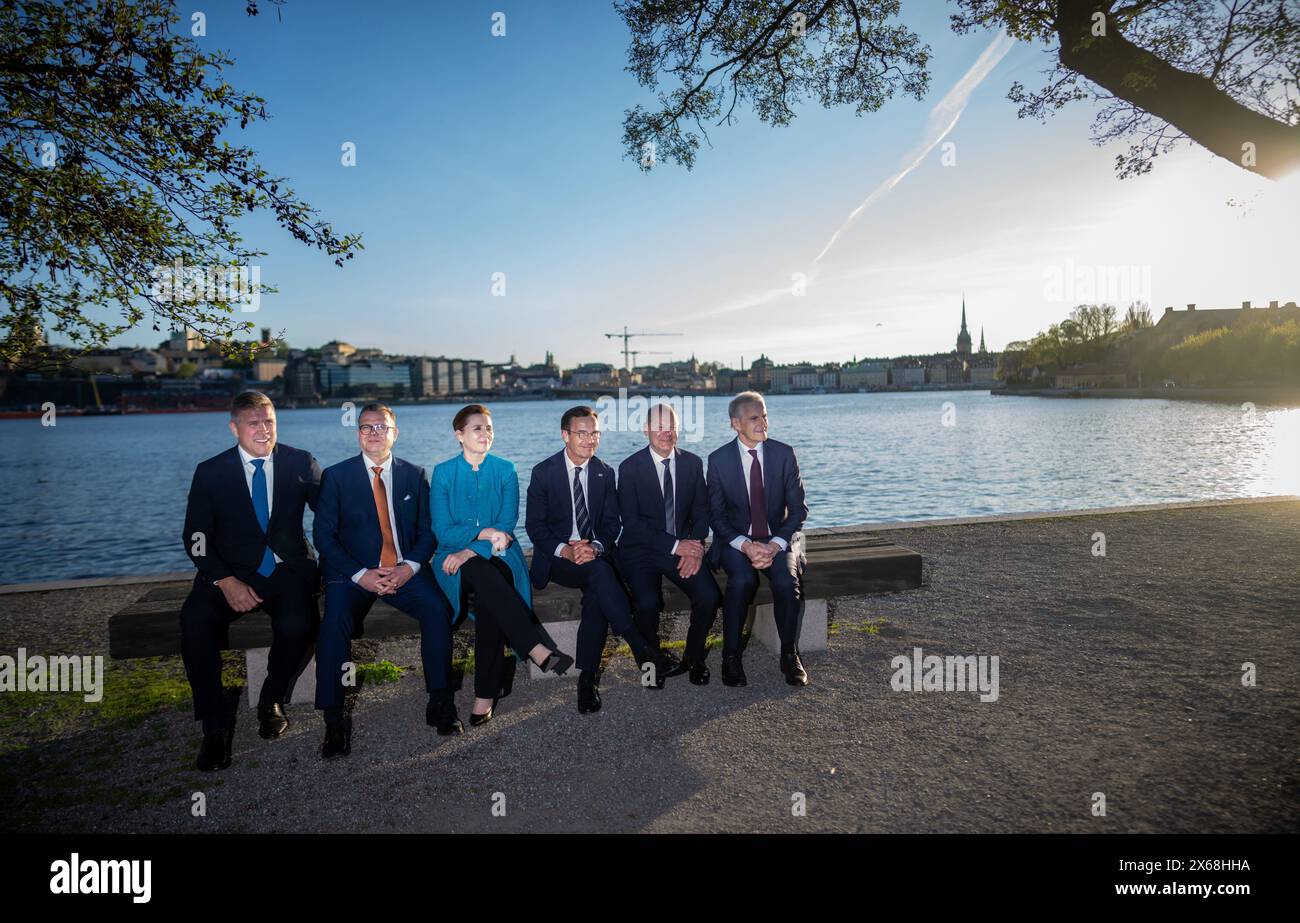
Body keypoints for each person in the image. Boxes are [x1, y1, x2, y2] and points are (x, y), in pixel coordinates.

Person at [180, 390, 322, 771]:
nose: (263, 430)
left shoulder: (300, 462)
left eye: (269, 422)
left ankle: (270, 699)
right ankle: (213, 727)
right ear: (234, 427)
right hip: (229, 570)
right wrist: (225, 581)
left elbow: (332, 511)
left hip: (286, 567)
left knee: (298, 624)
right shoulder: (211, 471)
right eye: (253, 423)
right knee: (194, 623)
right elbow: (195, 537)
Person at [312, 403, 460, 758]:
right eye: (366, 427)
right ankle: (334, 720)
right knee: (334, 625)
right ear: (357, 433)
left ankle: (439, 701)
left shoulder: (414, 474)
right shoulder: (336, 476)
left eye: (382, 427)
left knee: (438, 611)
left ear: (396, 432)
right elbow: (323, 537)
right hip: (352, 574)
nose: (374, 432)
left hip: (401, 571)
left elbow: (428, 532)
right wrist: (360, 575)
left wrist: (408, 567)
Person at [525, 405, 676, 713]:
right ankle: (643, 651)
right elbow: (535, 527)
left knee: (598, 589)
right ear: (565, 435)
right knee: (602, 577)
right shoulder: (544, 472)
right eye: (582, 433)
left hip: (594, 556)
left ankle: (587, 681)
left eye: (595, 433)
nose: (590, 440)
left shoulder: (604, 472)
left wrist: (594, 546)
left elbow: (611, 525)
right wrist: (566, 549)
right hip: (557, 558)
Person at [431, 404, 574, 726]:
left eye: (489, 428)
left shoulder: (506, 469)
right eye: (477, 428)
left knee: (487, 590)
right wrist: (483, 535)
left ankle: (487, 694)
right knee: (482, 575)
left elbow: (507, 525)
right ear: (459, 435)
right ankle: (534, 649)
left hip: (498, 557)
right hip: (451, 561)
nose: (486, 434)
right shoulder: (443, 473)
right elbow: (442, 530)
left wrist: (473, 550)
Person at [706, 391, 809, 687]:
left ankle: (789, 655)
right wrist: (747, 545)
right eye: (754, 418)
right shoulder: (718, 460)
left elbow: (798, 509)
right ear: (736, 423)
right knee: (742, 582)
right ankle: (731, 656)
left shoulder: (783, 453)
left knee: (786, 583)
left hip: (778, 539)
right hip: (736, 541)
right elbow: (716, 517)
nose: (763, 422)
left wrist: (775, 544)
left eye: (764, 416)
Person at [617, 403, 720, 684]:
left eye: (672, 426)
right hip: (642, 550)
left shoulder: (692, 463)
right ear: (646, 430)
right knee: (648, 603)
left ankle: (694, 658)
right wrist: (677, 547)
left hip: (685, 547)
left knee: (709, 596)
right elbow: (632, 523)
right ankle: (651, 667)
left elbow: (701, 512)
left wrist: (696, 547)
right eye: (660, 427)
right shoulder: (629, 468)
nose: (667, 433)